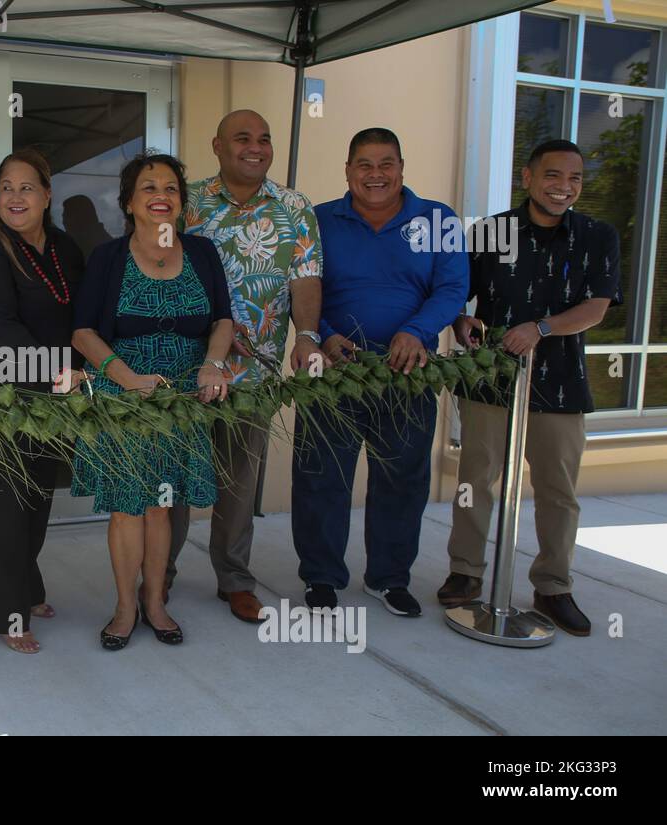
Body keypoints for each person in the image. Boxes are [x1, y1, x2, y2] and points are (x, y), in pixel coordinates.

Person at [440, 140, 620, 636]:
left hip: (561, 382)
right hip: (489, 380)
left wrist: (541, 328)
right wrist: (461, 323)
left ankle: (553, 586)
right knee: (475, 481)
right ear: (527, 178)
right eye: (553, 176)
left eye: (575, 179)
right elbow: (459, 295)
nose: (564, 187)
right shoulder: (493, 232)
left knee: (558, 491)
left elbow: (598, 306)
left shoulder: (597, 235)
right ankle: (466, 572)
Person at [295, 128, 468, 617]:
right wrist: (324, 335)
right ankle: (322, 576)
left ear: (402, 168)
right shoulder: (318, 220)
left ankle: (389, 578)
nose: (376, 174)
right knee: (320, 476)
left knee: (402, 478)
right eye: (364, 164)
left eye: (386, 163)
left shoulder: (439, 220)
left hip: (408, 372)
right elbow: (304, 287)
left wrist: (416, 331)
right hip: (334, 371)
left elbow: (452, 288)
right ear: (348, 170)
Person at [71, 151, 235, 650]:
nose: (160, 196)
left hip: (181, 397)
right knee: (127, 508)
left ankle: (155, 602)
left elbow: (223, 320)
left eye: (170, 188)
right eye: (148, 187)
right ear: (128, 202)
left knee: (162, 507)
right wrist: (126, 378)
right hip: (125, 398)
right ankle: (124, 608)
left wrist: (213, 364)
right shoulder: (108, 257)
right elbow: (82, 332)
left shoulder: (203, 253)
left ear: (182, 203)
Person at [168, 109, 325, 624]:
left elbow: (306, 277)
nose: (255, 147)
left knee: (238, 483)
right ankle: (159, 573)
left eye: (264, 138)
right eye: (242, 138)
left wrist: (306, 334)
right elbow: (160, 268)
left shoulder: (295, 206)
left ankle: (234, 579)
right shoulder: (185, 202)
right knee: (176, 477)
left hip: (254, 374)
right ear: (217, 145)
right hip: (187, 370)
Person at [0, 148, 86, 653]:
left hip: (54, 393)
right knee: (9, 504)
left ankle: (28, 588)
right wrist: (58, 370)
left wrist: (84, 364)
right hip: (5, 389)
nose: (15, 196)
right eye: (6, 187)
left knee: (38, 497)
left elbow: (79, 315)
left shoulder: (63, 247)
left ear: (47, 194)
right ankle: (9, 617)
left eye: (26, 187)